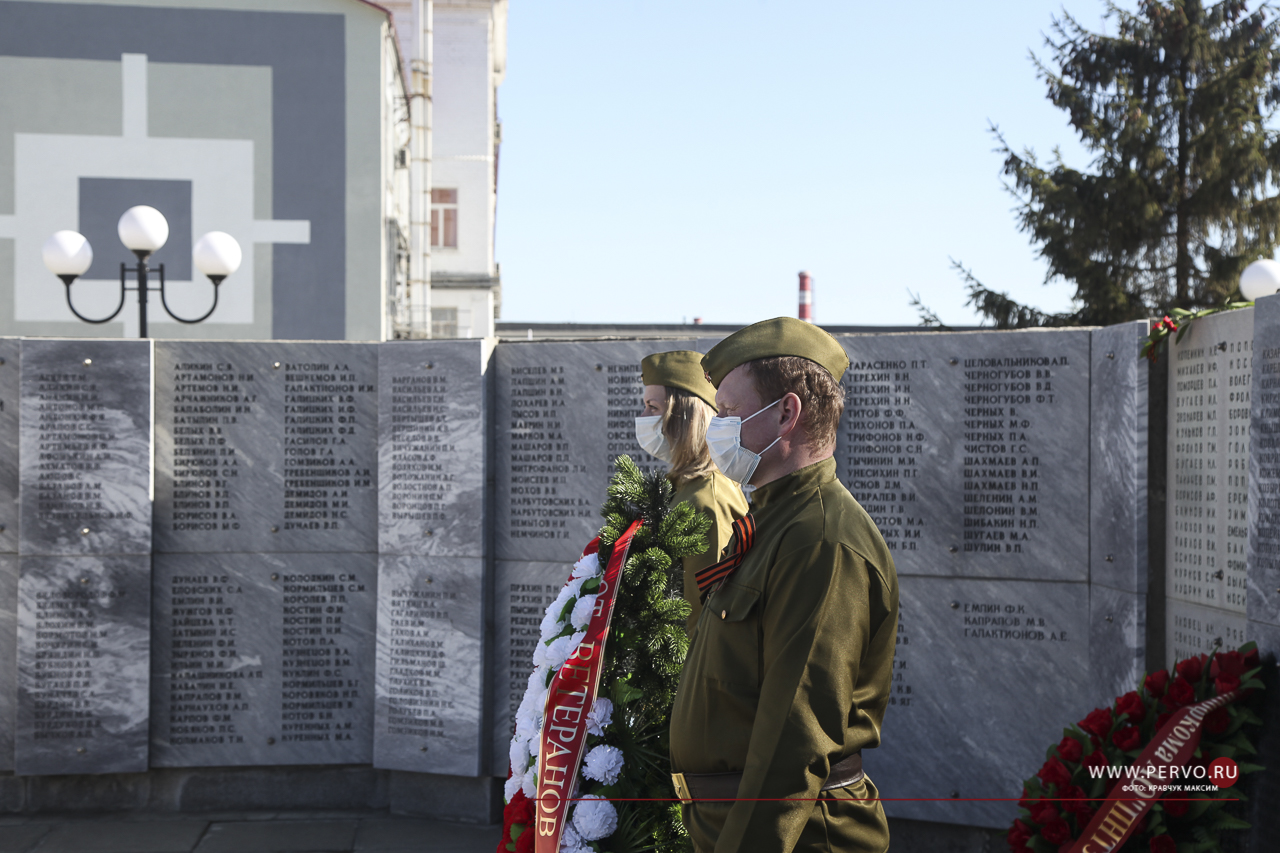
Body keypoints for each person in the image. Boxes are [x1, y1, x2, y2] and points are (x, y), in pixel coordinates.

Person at [668, 318, 899, 853]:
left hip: (798, 836)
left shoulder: (820, 540)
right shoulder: (772, 521)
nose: (714, 430)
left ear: (787, 413)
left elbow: (794, 736)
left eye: (726, 413)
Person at [635, 350, 749, 633]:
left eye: (652, 406)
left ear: (684, 416)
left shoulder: (707, 499)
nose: (642, 416)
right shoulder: (686, 486)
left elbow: (708, 616)